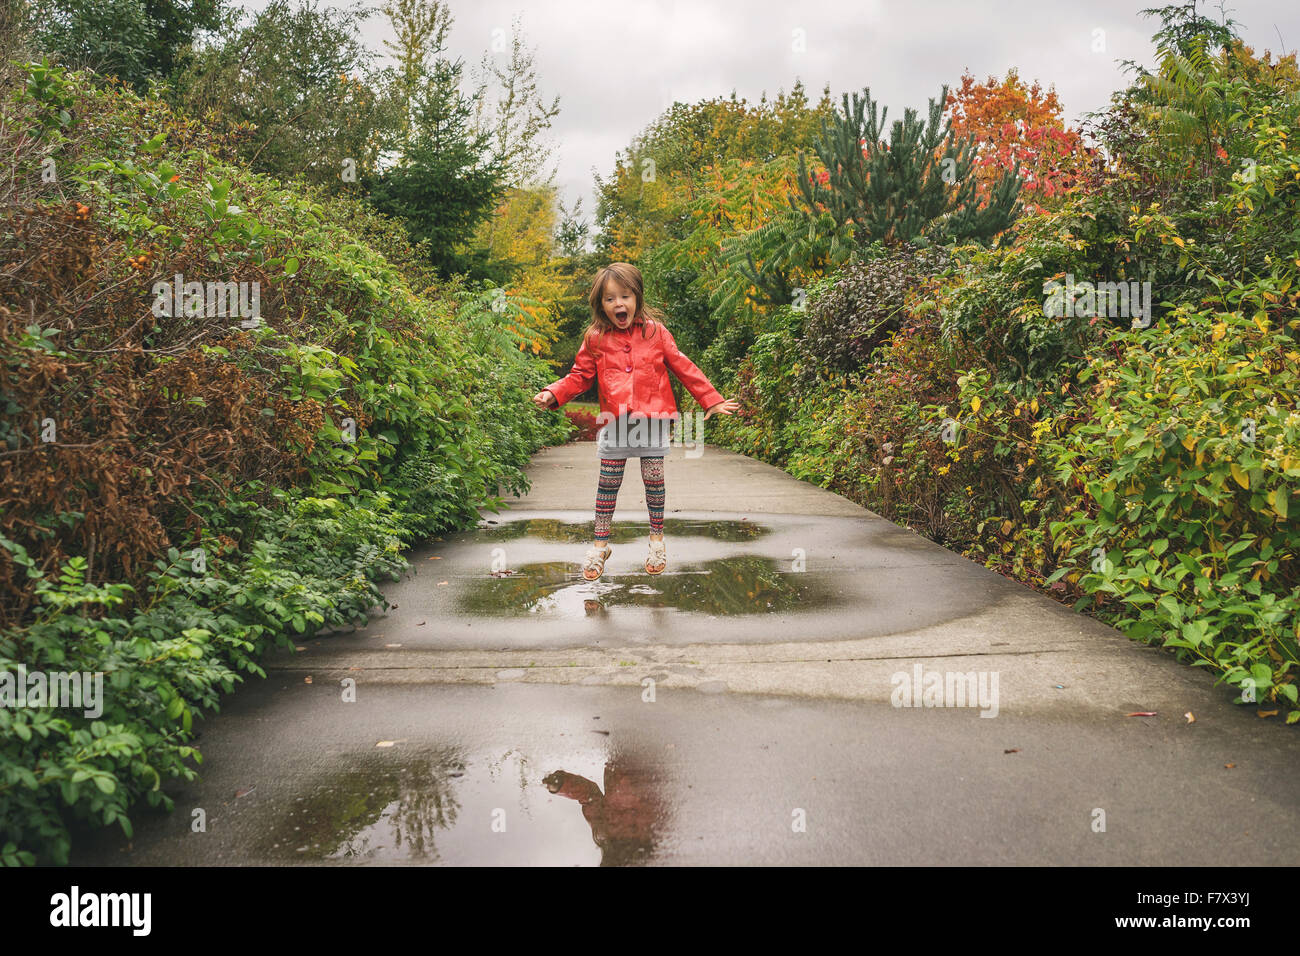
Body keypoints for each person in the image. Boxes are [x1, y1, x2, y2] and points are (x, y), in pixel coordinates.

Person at [532, 262, 738, 580]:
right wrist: (553, 393)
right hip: (615, 422)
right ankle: (600, 546)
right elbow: (580, 375)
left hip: (652, 418)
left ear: (637, 298)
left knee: (653, 480)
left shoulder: (655, 332)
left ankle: (656, 541)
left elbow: (682, 365)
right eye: (610, 299)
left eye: (625, 296)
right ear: (601, 304)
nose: (619, 304)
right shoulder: (596, 338)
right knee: (608, 486)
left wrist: (712, 399)